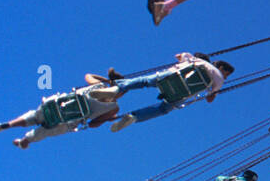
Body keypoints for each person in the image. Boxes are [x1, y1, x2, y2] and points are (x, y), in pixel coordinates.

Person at [88, 52, 234, 132]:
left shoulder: (197, 60)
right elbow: (210, 99)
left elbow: (178, 55)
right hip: (180, 94)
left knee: (146, 81)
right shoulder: (219, 80)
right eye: (227, 74)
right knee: (164, 109)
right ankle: (134, 117)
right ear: (223, 69)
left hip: (170, 79)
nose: (226, 76)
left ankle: (117, 88)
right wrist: (214, 91)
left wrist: (191, 59)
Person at [2, 83, 121, 148]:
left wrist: (106, 80)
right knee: (43, 132)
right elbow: (93, 124)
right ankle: (24, 141)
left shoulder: (98, 85)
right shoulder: (113, 108)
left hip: (56, 104)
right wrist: (108, 119)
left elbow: (87, 75)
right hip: (67, 121)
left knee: (34, 116)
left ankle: (10, 124)